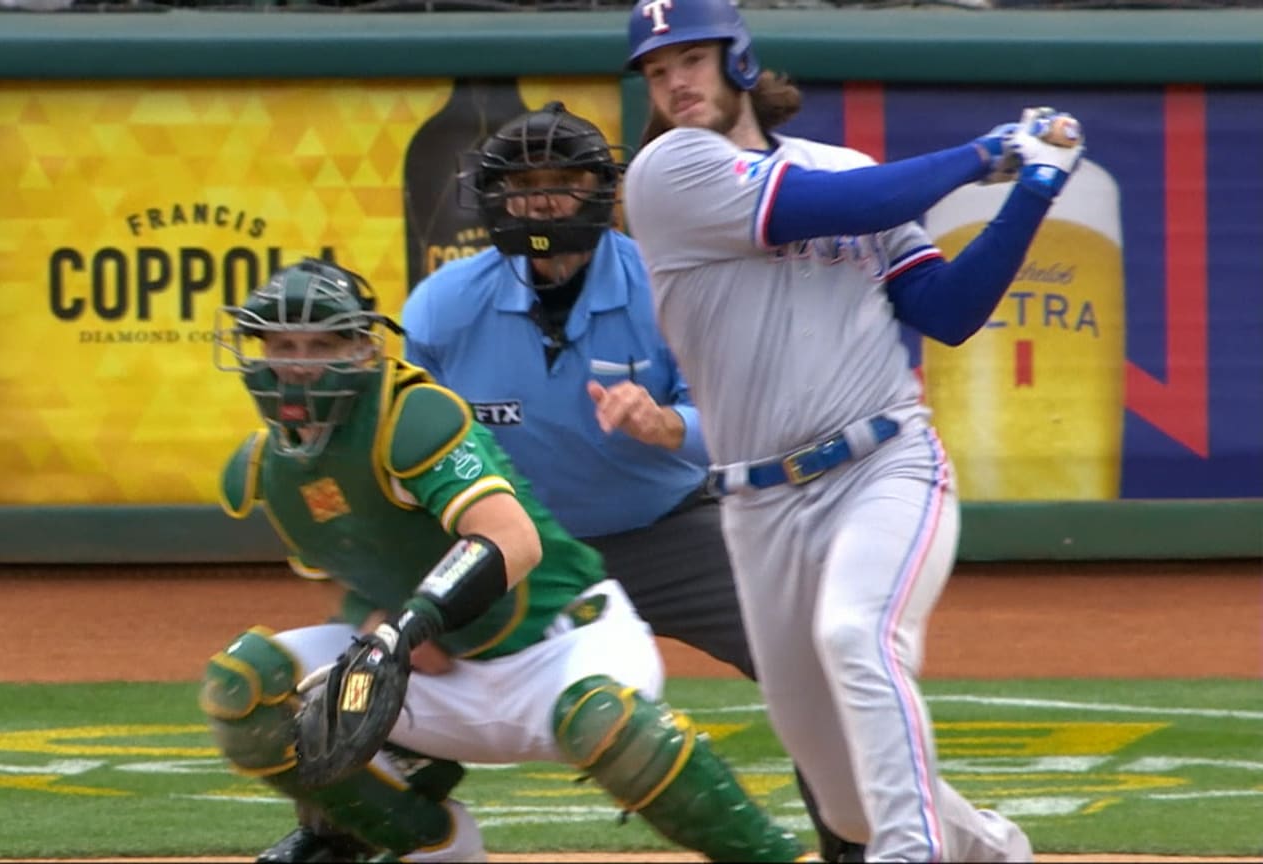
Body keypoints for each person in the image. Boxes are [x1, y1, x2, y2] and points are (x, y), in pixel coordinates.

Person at [620, 0, 1085, 860]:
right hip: (757, 508)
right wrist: (987, 154)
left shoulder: (838, 164)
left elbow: (946, 310)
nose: (674, 81)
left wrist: (1034, 190)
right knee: (846, 804)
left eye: (691, 58)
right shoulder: (667, 173)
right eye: (656, 70)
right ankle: (991, 849)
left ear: (741, 61)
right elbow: (830, 204)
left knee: (856, 634)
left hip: (882, 465)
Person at [201, 257, 809, 863]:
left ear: (362, 351)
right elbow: (355, 570)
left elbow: (511, 540)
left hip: (557, 645)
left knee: (608, 724)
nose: (301, 366)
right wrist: (373, 621)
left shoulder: (408, 415)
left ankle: (776, 858)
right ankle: (420, 841)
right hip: (431, 668)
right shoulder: (264, 472)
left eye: (322, 345)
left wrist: (407, 626)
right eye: (284, 345)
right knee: (244, 686)